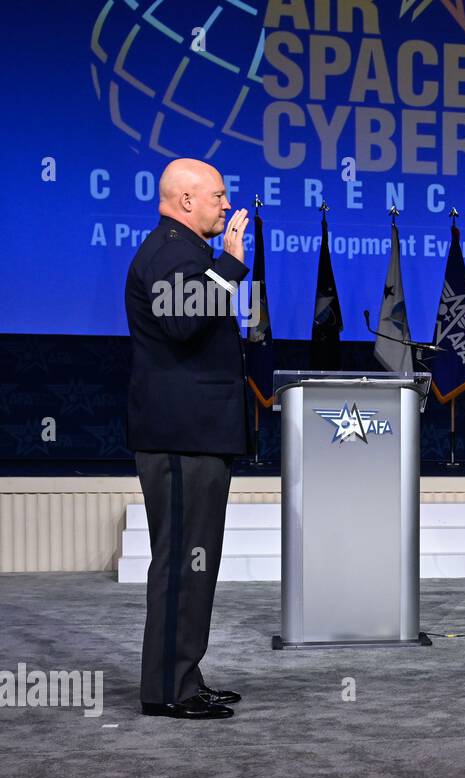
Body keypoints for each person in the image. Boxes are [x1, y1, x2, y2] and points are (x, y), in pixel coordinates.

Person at [125, 158, 250, 719]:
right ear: (184, 201)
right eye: (218, 196)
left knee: (192, 562)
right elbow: (182, 319)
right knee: (182, 563)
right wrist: (230, 265)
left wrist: (220, 264)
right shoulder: (171, 250)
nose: (225, 205)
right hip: (181, 437)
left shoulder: (181, 248)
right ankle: (170, 689)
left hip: (192, 435)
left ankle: (183, 676)